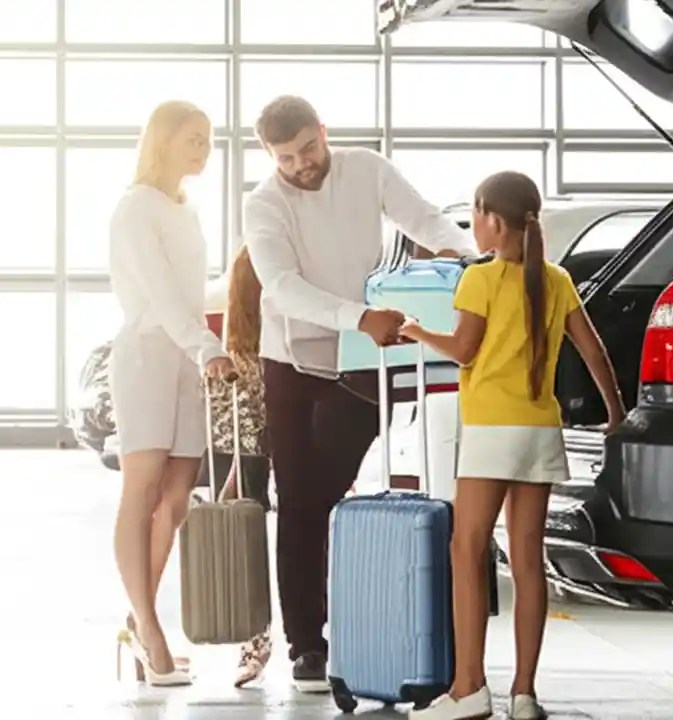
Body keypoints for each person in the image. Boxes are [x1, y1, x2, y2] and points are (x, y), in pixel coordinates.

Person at [241, 95, 475, 692]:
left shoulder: (366, 169)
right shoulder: (263, 203)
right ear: (272, 156)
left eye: (308, 150)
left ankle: (369, 623)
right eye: (286, 158)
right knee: (296, 501)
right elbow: (282, 286)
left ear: (325, 133)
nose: (300, 165)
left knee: (327, 491)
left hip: (362, 362)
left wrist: (465, 258)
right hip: (291, 359)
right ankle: (306, 646)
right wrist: (358, 314)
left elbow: (423, 218)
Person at [399, 171, 625, 720]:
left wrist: (413, 329)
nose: (472, 227)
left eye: (475, 217)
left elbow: (464, 351)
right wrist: (616, 415)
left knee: (467, 548)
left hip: (492, 432)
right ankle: (524, 694)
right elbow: (593, 353)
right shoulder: (557, 279)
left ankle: (468, 689)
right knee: (528, 560)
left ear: (493, 221)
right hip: (539, 431)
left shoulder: (480, 279)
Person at [108, 100, 236, 687]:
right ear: (162, 140)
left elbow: (191, 293)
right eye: (193, 138)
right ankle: (150, 630)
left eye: (208, 140)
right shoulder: (137, 207)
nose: (203, 149)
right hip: (148, 356)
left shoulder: (187, 210)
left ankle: (139, 621)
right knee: (143, 489)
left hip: (189, 359)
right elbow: (160, 295)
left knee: (180, 496)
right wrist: (206, 346)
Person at [204, 245, 273, 687]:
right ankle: (312, 641)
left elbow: (225, 438)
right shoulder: (275, 361)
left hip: (242, 471)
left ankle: (255, 642)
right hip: (272, 461)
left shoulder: (231, 362)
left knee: (248, 554)